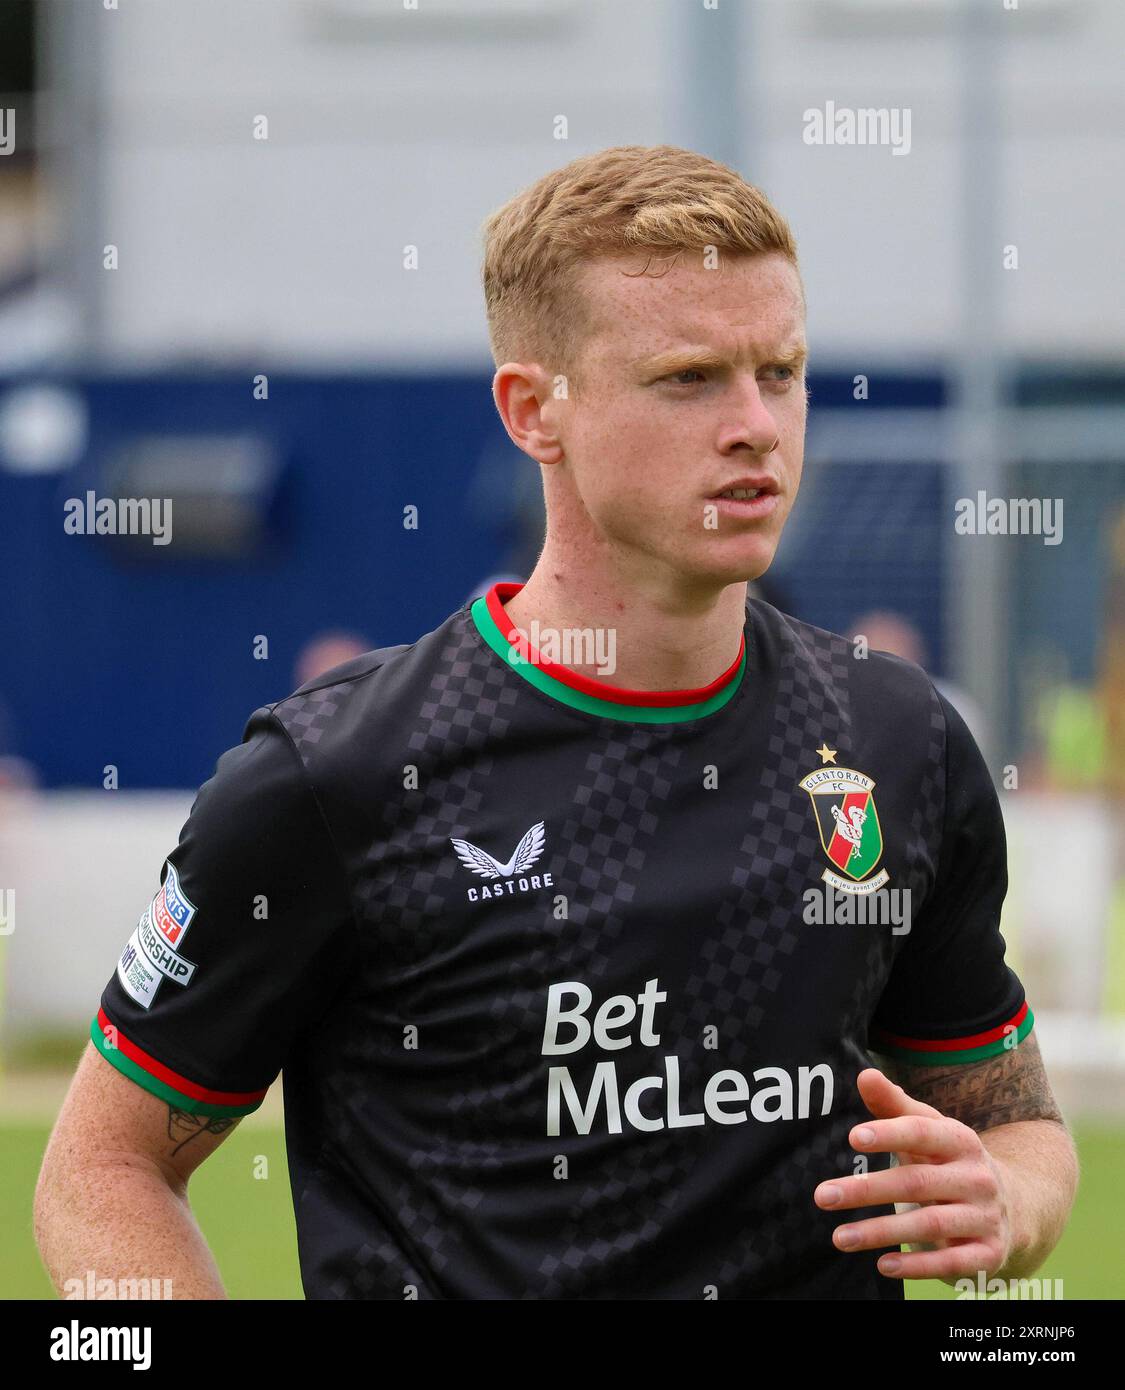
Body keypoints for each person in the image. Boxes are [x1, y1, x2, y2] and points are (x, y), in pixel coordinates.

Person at [36, 145, 1076, 1301]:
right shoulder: (335, 776)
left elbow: (1020, 1128)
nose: (756, 425)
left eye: (781, 372)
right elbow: (103, 1168)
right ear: (536, 411)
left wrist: (1006, 1196)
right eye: (689, 378)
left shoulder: (897, 738)